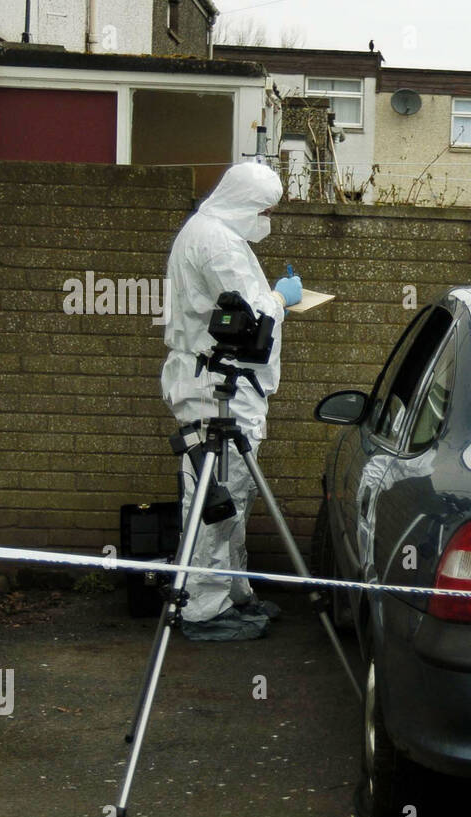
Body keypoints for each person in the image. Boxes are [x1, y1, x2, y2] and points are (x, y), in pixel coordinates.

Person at [160, 162, 303, 641]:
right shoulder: (217, 241)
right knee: (214, 502)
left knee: (230, 494)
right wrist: (282, 301)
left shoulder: (211, 231)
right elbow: (250, 319)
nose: (267, 218)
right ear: (243, 202)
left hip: (218, 382)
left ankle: (232, 593)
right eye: (263, 209)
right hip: (216, 386)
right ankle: (203, 607)